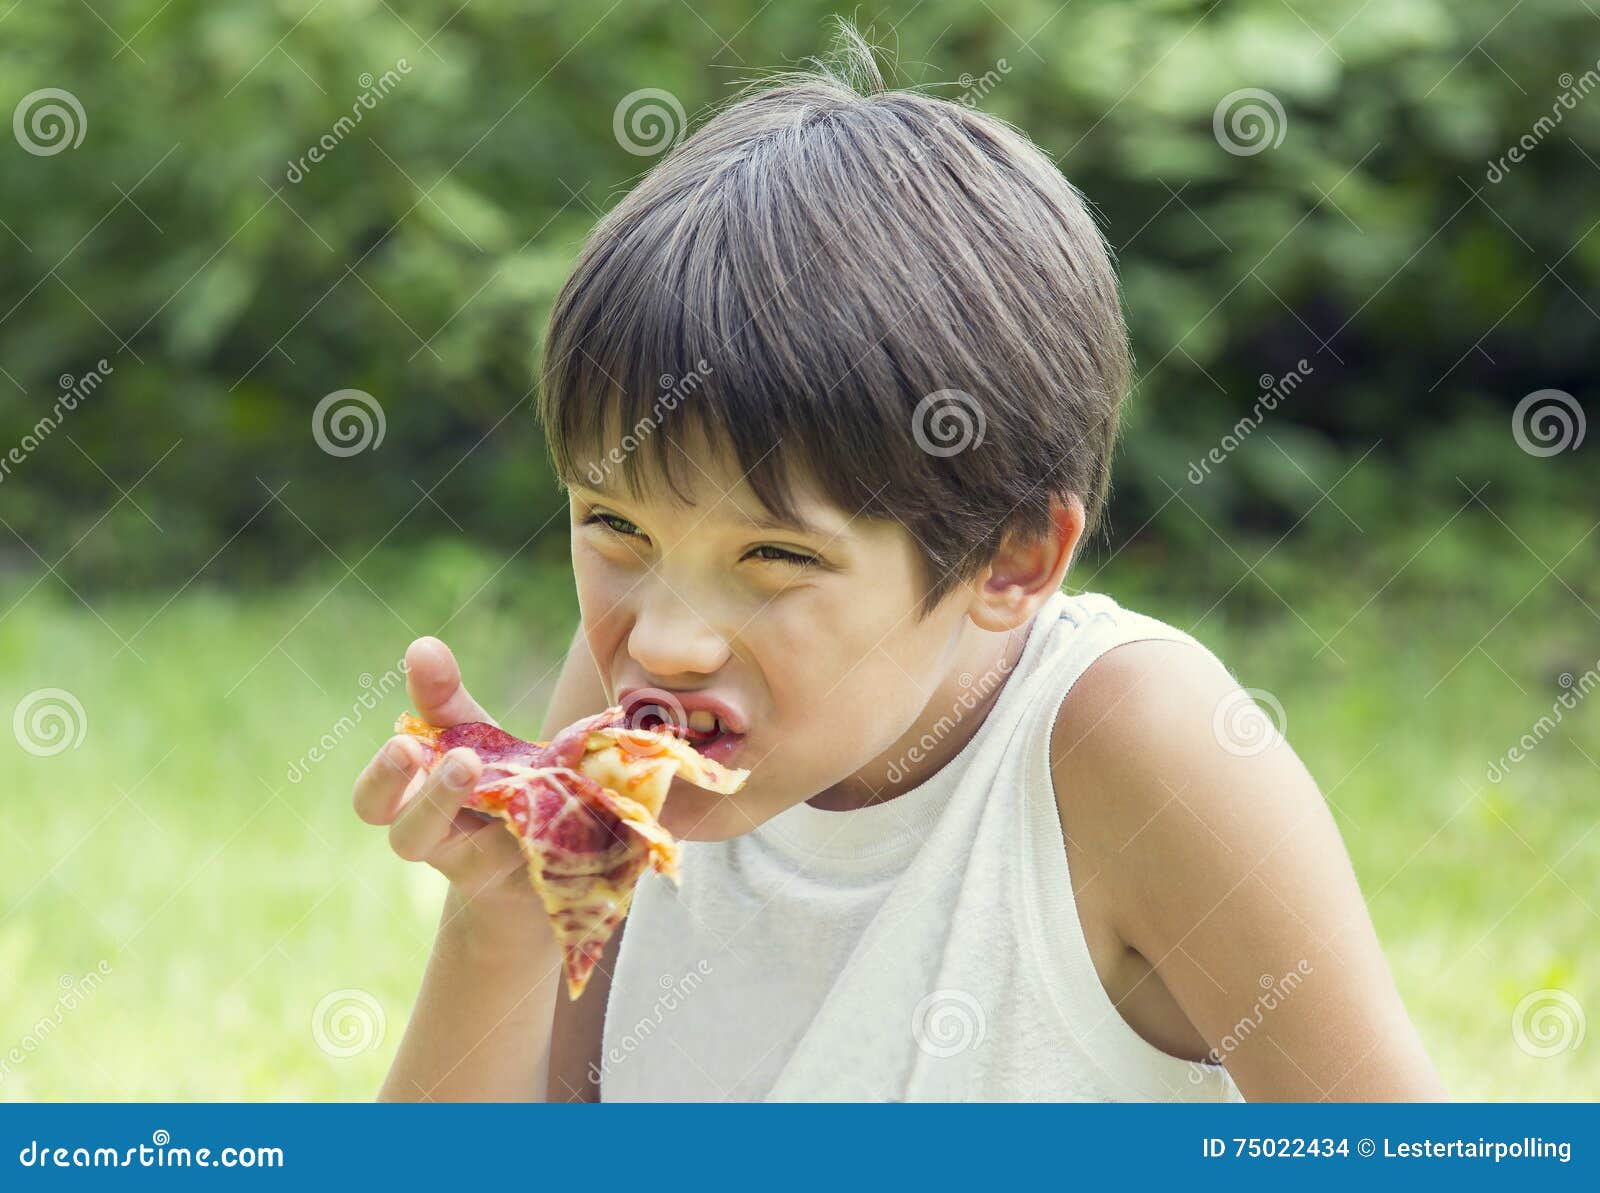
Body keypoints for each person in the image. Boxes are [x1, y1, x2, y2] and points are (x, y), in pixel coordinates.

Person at [351, 25, 1446, 1102]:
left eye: (774, 553)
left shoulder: (1134, 750)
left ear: (1011, 557)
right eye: (615, 529)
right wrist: (503, 921)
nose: (663, 639)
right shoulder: (631, 717)